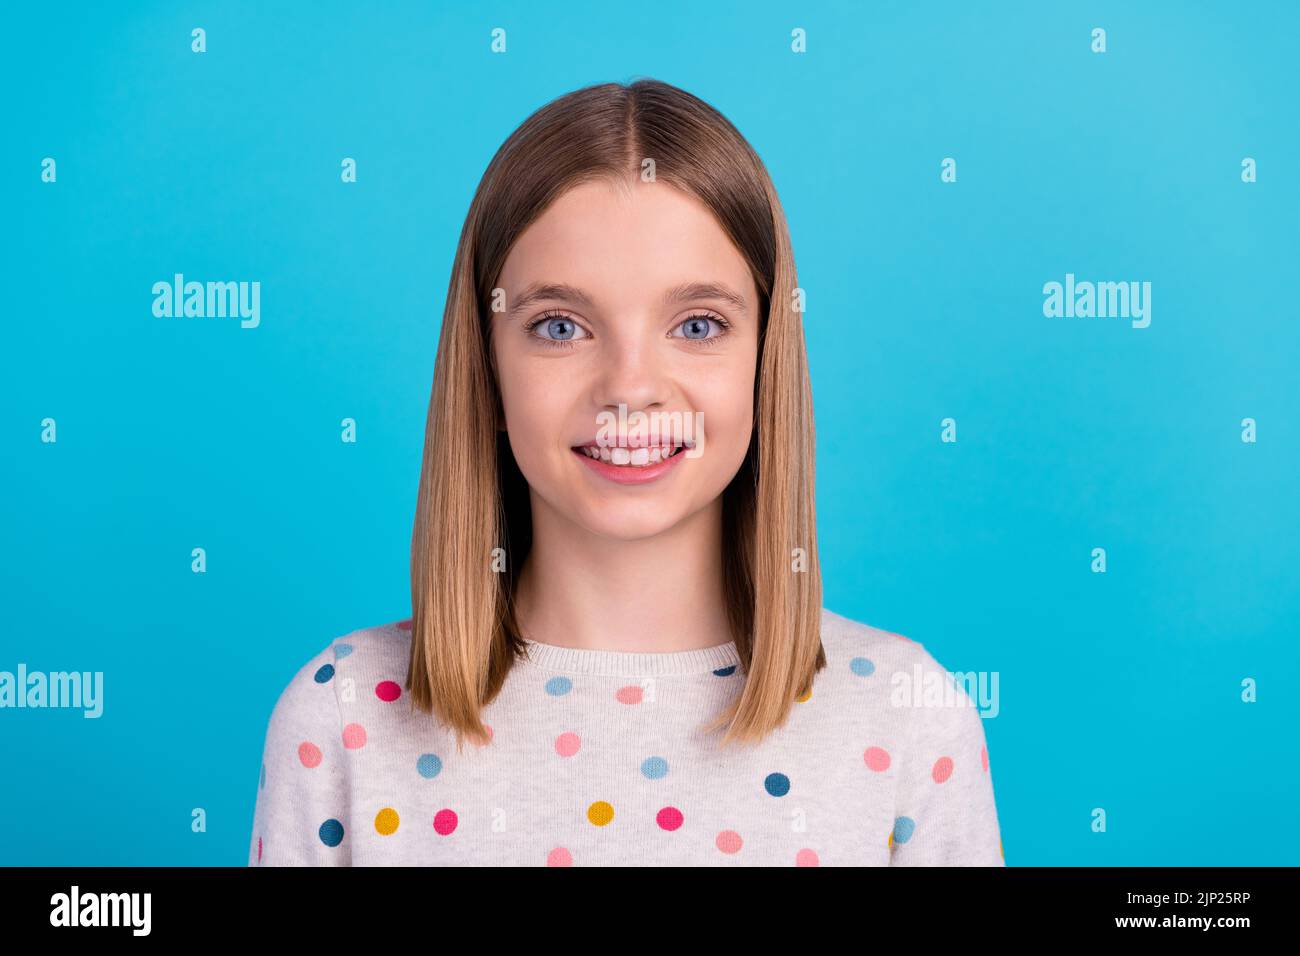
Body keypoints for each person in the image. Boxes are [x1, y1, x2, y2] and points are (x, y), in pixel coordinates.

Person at [248, 78, 1005, 866]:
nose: (630, 387)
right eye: (561, 326)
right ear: (488, 370)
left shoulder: (907, 717)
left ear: (764, 363)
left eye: (699, 323)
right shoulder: (340, 719)